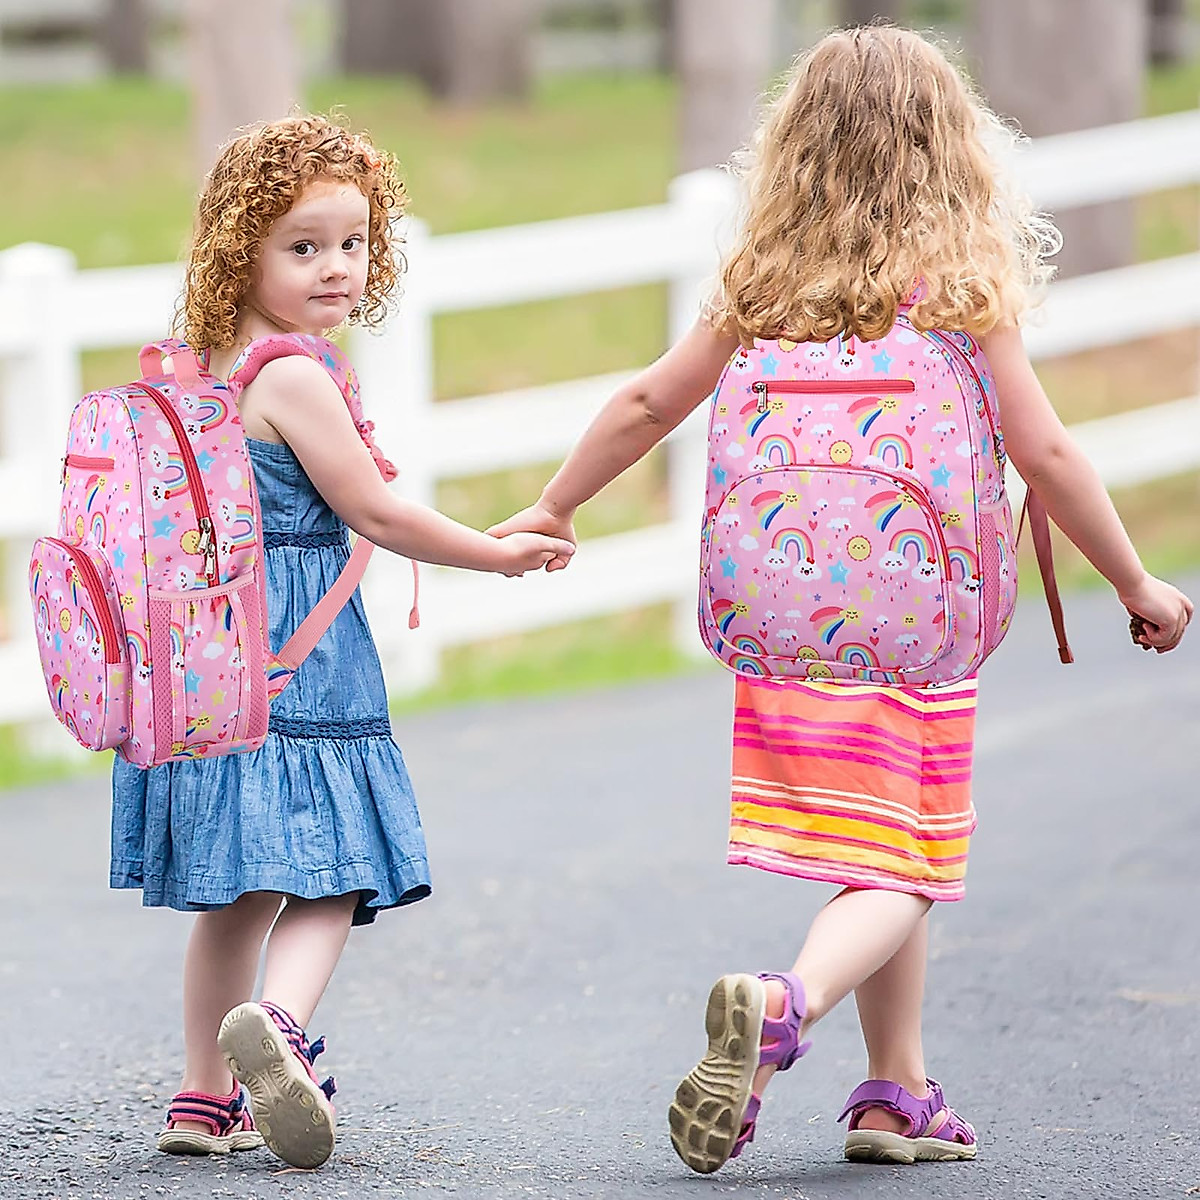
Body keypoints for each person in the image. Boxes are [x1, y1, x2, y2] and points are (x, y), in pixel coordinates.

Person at [489, 27, 1193, 1174]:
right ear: (951, 149)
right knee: (907, 861)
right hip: (915, 627)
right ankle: (787, 1003)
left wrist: (556, 505)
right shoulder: (960, 291)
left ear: (795, 150)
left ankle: (893, 1094)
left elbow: (648, 402)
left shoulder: (763, 287)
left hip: (782, 615)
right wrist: (1135, 579)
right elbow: (1048, 452)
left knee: (869, 850)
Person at [112, 113, 573, 1170]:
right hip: (298, 657)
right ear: (243, 249)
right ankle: (279, 1029)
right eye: (303, 246)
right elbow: (379, 513)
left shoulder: (202, 364)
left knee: (237, 891)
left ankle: (201, 1098)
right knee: (333, 870)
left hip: (208, 655)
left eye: (354, 243)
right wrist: (496, 555)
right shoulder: (293, 375)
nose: (336, 268)